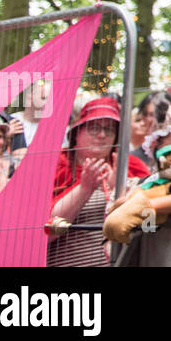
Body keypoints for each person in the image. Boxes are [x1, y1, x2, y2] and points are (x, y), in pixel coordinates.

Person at [48, 97, 149, 267]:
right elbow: (46, 232)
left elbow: (149, 222)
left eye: (109, 130)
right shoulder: (54, 165)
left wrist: (120, 190)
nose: (102, 135)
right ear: (76, 133)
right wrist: (84, 190)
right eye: (94, 128)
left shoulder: (131, 165)